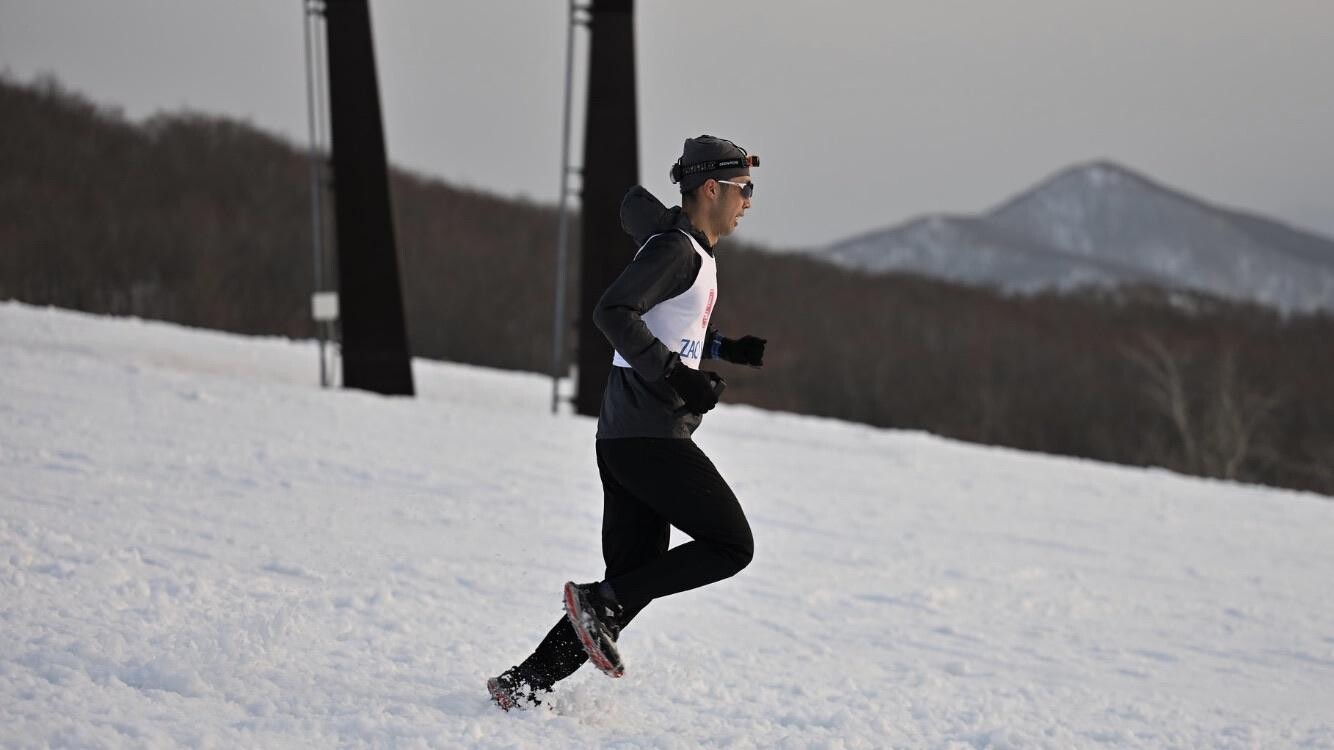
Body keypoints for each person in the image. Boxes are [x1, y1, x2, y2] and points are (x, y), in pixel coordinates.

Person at [487, 135, 769, 710]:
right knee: (730, 544)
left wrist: (719, 348)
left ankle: (522, 686)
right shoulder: (676, 250)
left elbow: (667, 323)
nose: (748, 202)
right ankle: (596, 607)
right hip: (648, 436)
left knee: (628, 585)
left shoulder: (688, 250)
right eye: (743, 190)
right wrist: (676, 375)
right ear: (710, 189)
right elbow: (613, 312)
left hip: (625, 435)